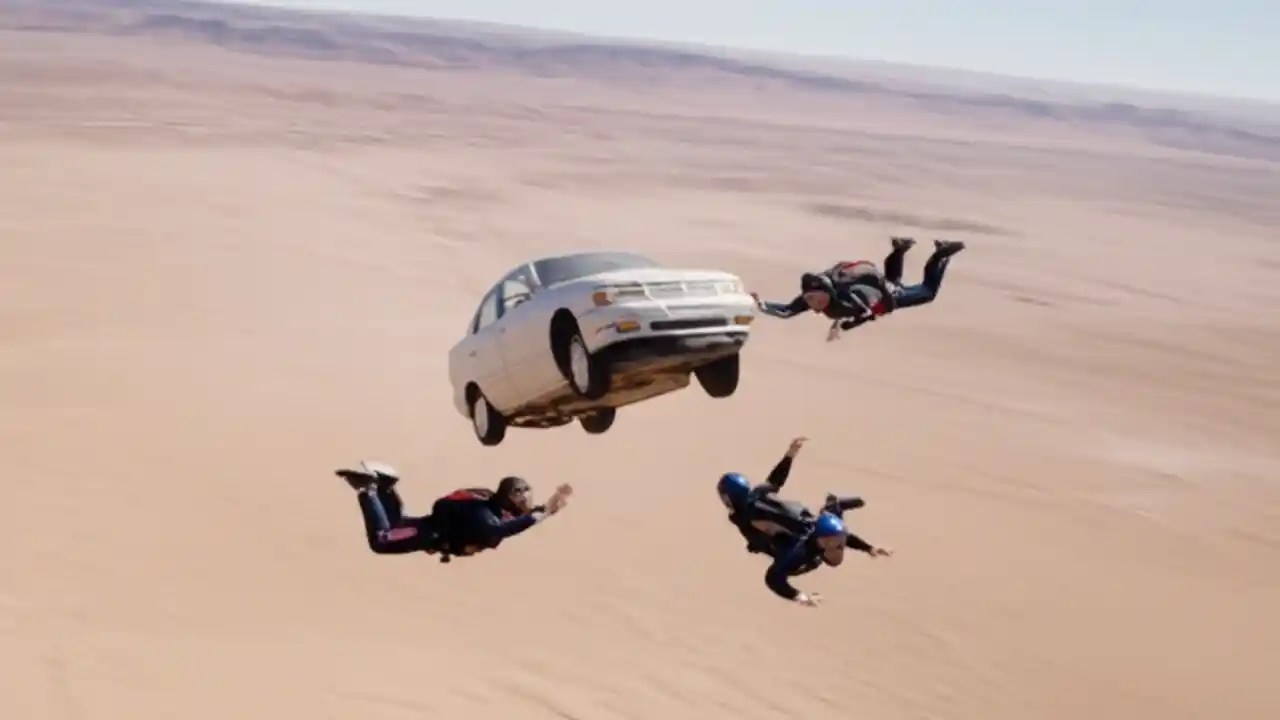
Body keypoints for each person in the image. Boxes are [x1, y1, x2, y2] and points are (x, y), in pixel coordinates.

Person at [715, 439, 893, 607]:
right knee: (819, 526)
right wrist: (790, 455)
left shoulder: (801, 548)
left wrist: (868, 548)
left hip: (800, 537)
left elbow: (773, 578)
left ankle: (835, 506)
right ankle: (834, 506)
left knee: (820, 530)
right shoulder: (758, 496)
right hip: (801, 531)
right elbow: (774, 482)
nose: (841, 546)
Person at [336, 460, 572, 563]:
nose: (524, 504)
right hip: (430, 534)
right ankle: (368, 489)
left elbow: (521, 518)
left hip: (432, 532)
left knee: (397, 522)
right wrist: (542, 513)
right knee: (381, 541)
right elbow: (510, 528)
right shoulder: (488, 519)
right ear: (510, 499)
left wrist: (548, 508)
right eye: (521, 500)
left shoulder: (493, 505)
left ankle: (385, 486)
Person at [751, 236, 966, 342]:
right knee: (894, 279)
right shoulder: (814, 296)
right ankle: (899, 249)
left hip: (885, 296)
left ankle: (941, 254)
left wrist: (843, 327)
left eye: (816, 301)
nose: (815, 307)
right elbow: (787, 311)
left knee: (927, 293)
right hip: (875, 287)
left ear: (827, 292)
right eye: (810, 301)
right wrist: (760, 304)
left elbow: (865, 313)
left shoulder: (849, 295)